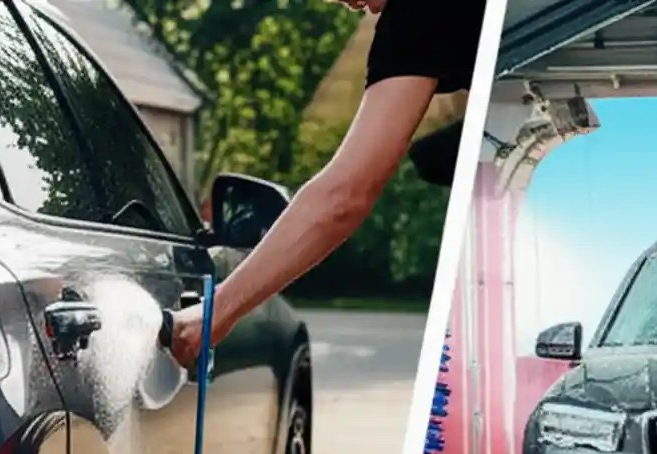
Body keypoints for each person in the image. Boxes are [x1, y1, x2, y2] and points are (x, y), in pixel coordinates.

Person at [165, 0, 487, 366]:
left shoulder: (420, 14)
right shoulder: (423, 22)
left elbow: (342, 197)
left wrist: (215, 314)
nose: (343, 4)